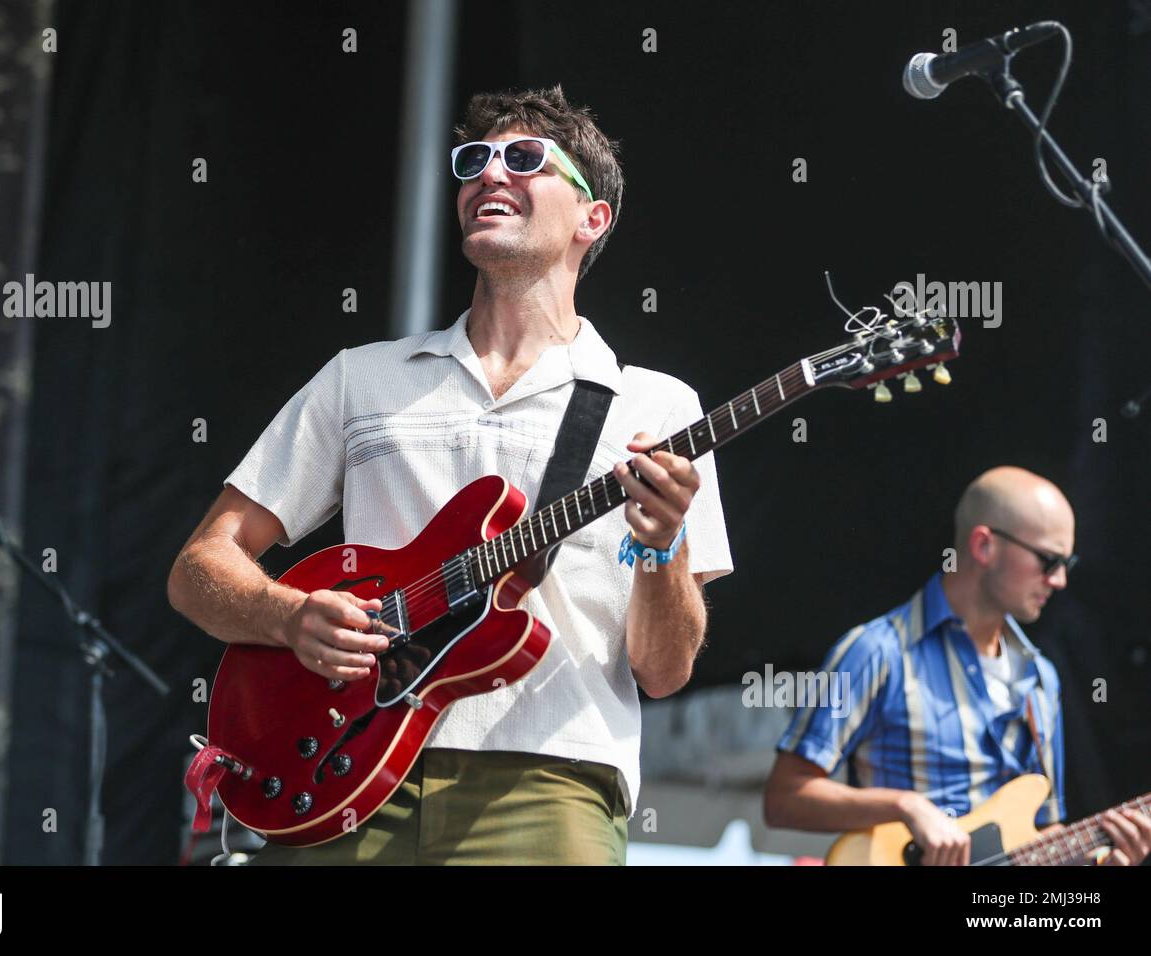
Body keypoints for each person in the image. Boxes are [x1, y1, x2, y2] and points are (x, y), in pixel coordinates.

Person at [167, 84, 734, 865]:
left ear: (591, 217)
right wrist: (286, 616)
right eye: (474, 161)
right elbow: (200, 567)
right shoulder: (361, 378)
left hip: (550, 782)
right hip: (347, 775)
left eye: (526, 159)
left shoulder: (655, 404)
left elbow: (663, 671)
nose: (489, 175)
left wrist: (663, 545)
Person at [764, 466, 1151, 866]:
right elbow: (784, 799)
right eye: (1049, 560)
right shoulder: (875, 651)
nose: (1059, 581)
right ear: (984, 546)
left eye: (1066, 565)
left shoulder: (1041, 678)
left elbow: (1042, 833)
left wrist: (1102, 859)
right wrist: (905, 805)